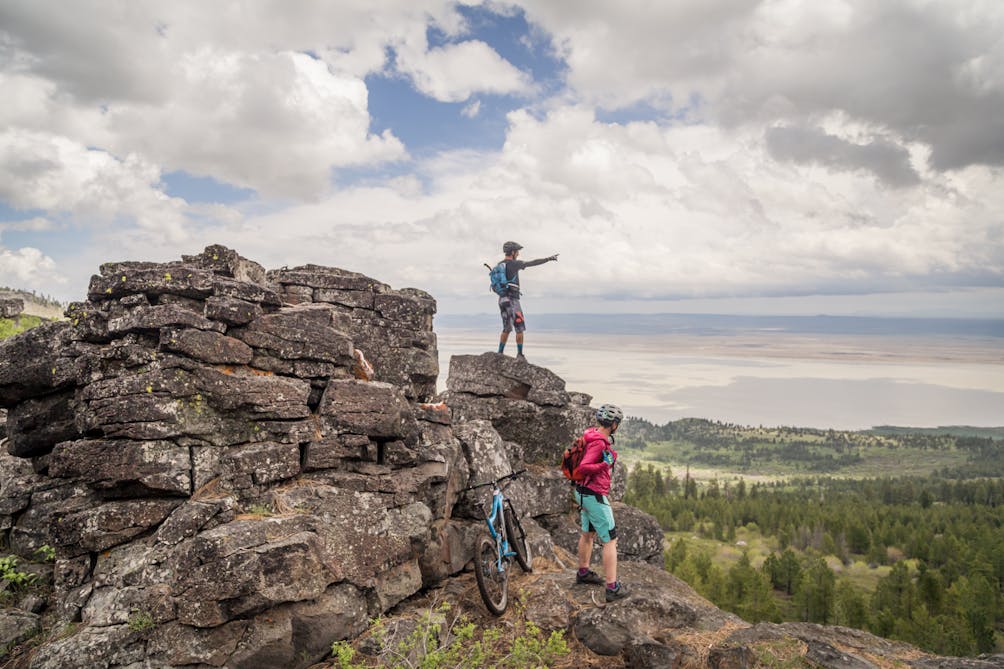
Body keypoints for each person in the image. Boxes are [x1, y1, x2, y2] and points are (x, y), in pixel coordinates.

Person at [573, 403, 629, 601]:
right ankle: (612, 588)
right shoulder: (599, 442)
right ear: (613, 424)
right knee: (610, 540)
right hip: (594, 494)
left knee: (587, 534)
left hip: (582, 492)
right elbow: (585, 466)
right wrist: (605, 464)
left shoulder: (590, 435)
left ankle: (583, 572)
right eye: (617, 423)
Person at [496, 241, 558, 361]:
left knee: (506, 328)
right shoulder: (514, 264)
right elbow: (532, 263)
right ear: (513, 252)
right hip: (512, 300)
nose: (518, 254)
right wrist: (548, 259)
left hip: (502, 300)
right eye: (517, 251)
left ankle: (499, 353)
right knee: (519, 327)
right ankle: (520, 355)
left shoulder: (499, 265)